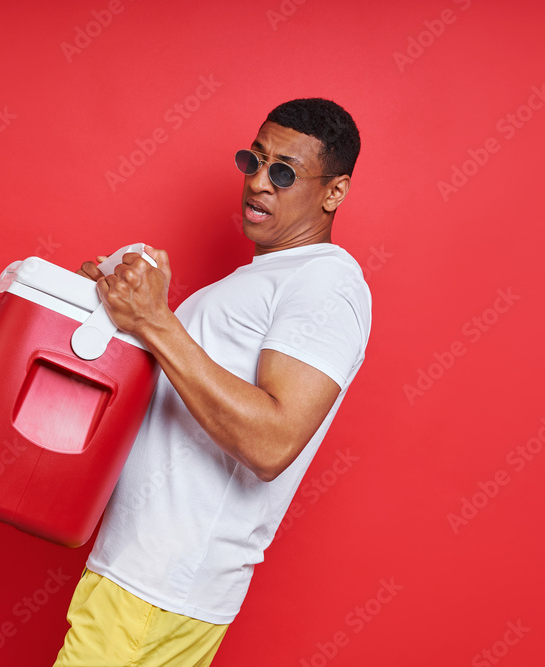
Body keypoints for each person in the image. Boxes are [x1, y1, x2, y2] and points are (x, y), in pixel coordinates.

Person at [54, 98, 372, 667]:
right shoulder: (262, 277)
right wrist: (117, 314)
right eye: (254, 160)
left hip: (160, 588)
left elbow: (272, 442)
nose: (258, 183)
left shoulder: (325, 281)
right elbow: (182, 394)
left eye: (283, 172)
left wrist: (154, 320)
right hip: (139, 578)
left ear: (334, 193)